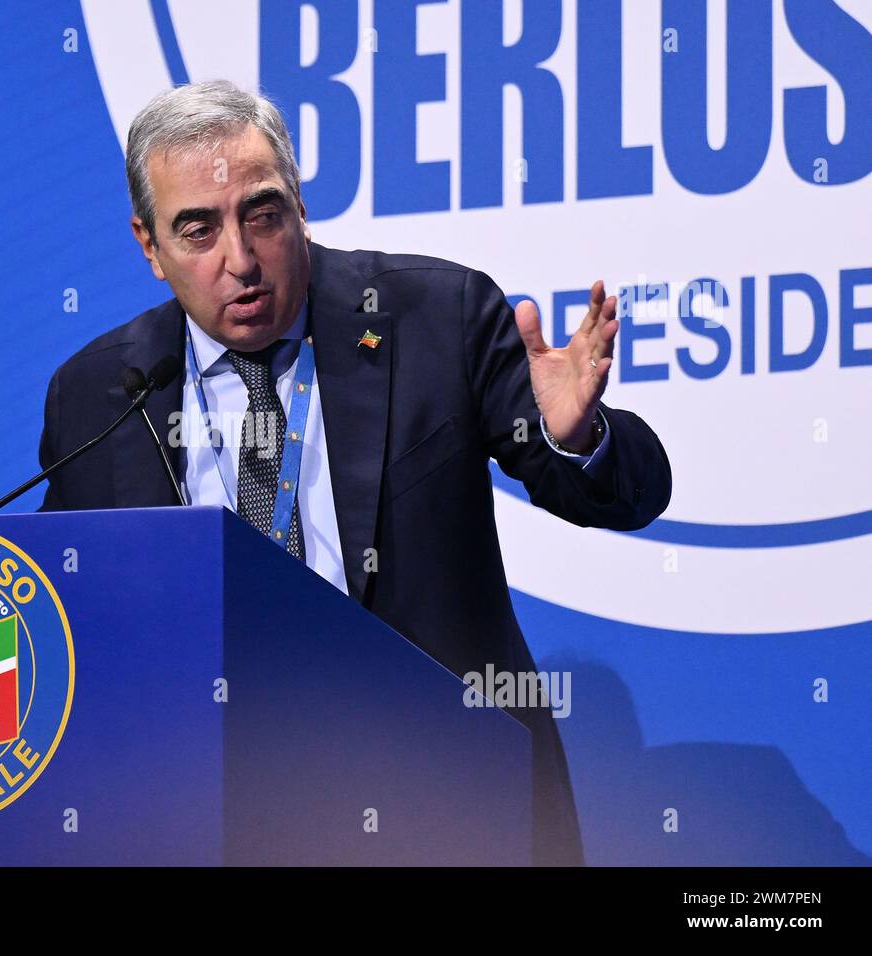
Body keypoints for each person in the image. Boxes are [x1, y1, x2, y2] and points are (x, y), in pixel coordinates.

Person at [37, 80, 672, 866]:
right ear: (149, 246)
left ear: (299, 204)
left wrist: (575, 435)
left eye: (262, 215)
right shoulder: (99, 394)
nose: (240, 260)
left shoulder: (434, 317)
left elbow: (619, 493)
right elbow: (64, 616)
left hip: (449, 797)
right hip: (215, 817)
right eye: (197, 230)